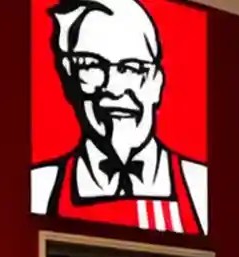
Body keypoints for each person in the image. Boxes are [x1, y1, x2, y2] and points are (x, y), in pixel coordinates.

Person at [32, 0, 208, 235]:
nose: (114, 88)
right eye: (92, 65)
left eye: (133, 68)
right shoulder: (41, 188)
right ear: (69, 77)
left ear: (157, 82)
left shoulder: (199, 187)